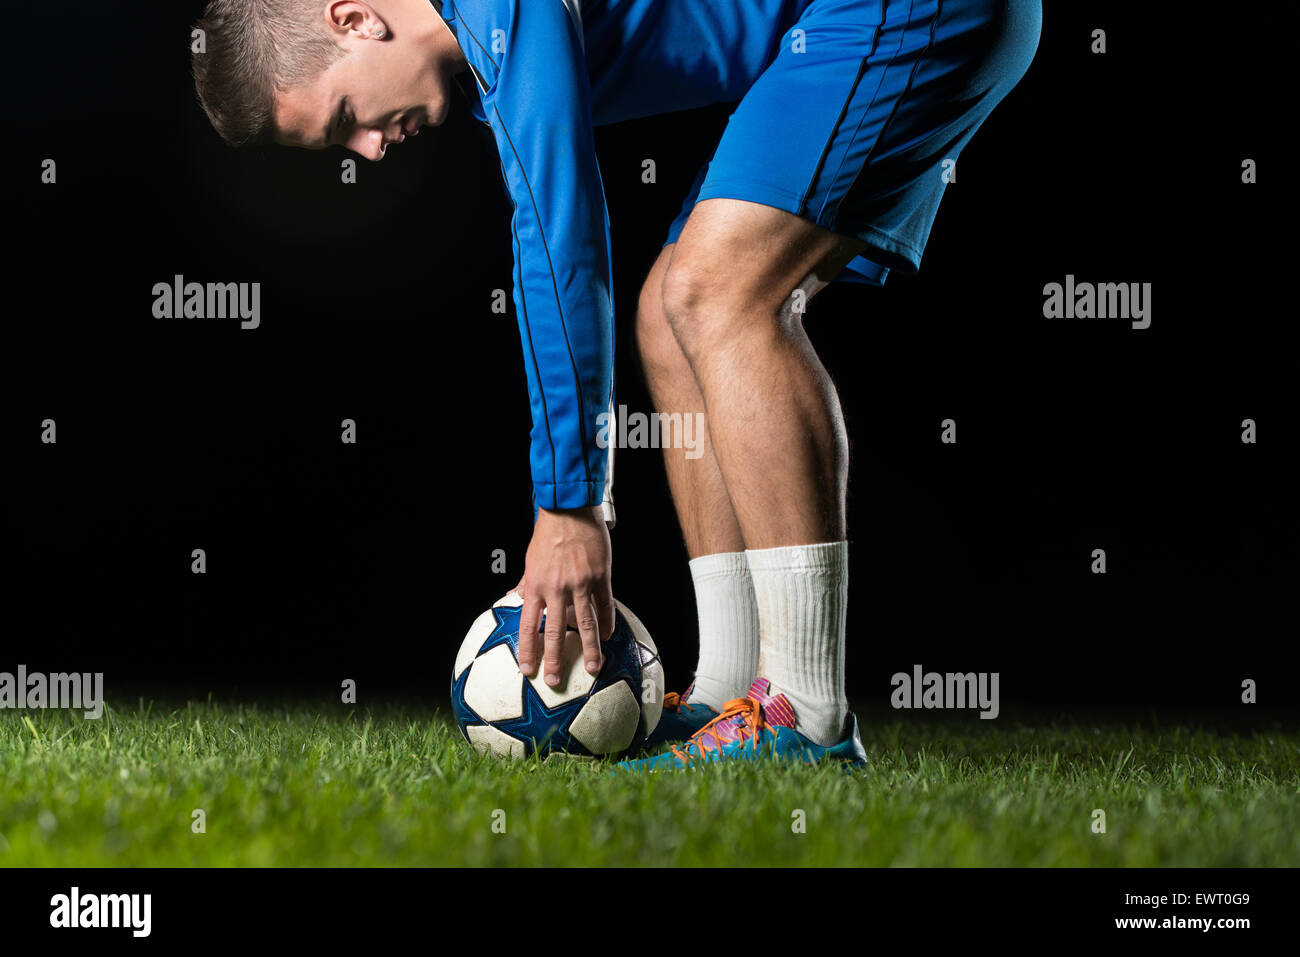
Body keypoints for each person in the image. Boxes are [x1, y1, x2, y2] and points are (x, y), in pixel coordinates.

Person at [192, 0, 1041, 769]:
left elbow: (558, 233)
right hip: (844, 22)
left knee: (721, 293)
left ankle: (808, 712)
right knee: (669, 316)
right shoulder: (486, 45)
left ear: (353, 19)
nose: (369, 149)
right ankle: (730, 688)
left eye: (346, 118)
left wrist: (570, 505)